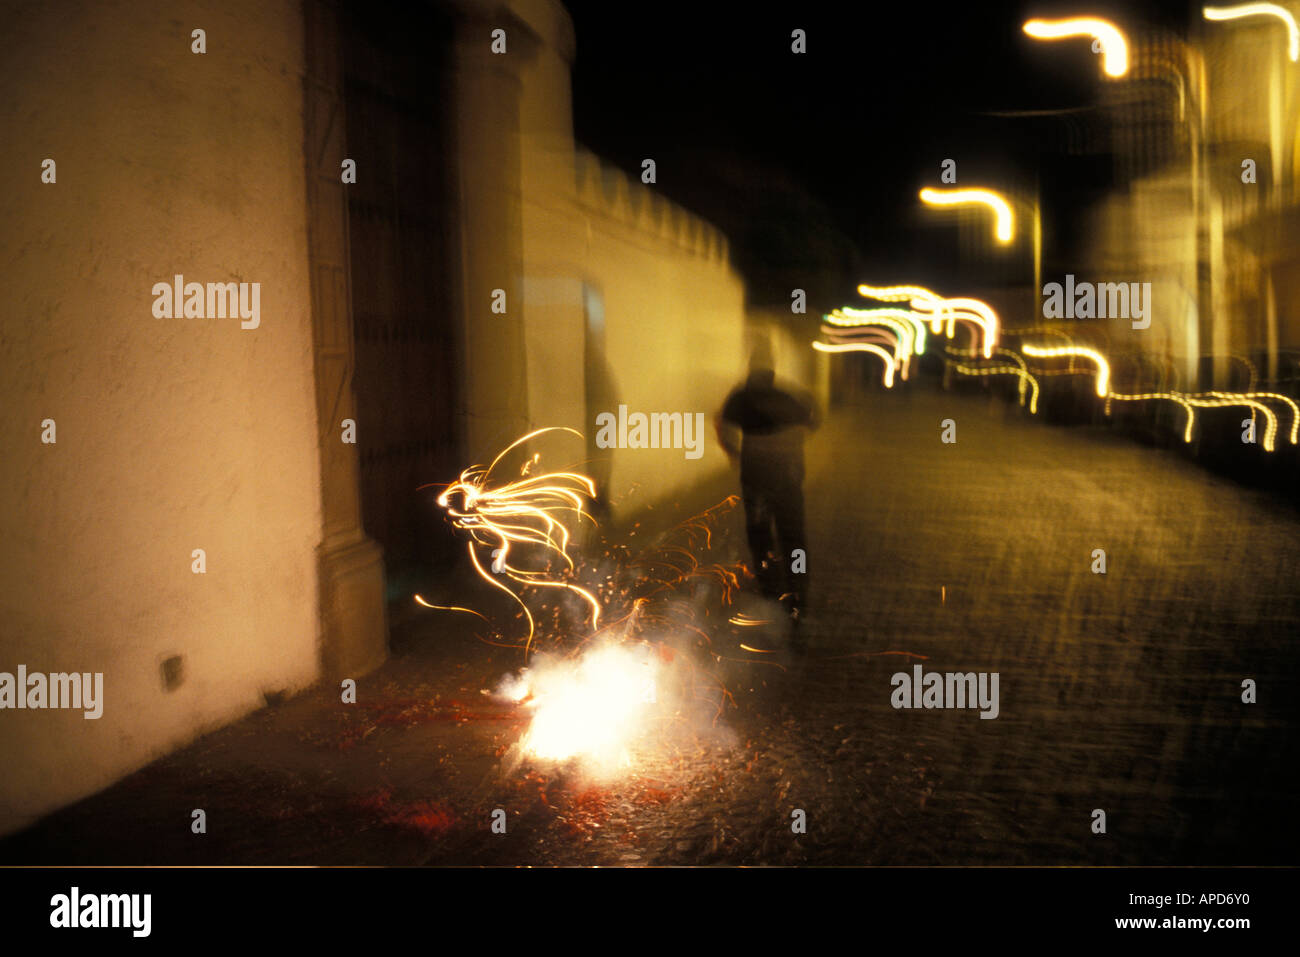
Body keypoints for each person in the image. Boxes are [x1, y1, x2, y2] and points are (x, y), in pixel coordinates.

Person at [716, 349, 820, 633]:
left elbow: (723, 426)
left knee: (761, 533)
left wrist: (735, 453)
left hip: (757, 478)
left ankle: (769, 585)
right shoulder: (788, 395)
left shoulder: (740, 398)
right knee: (792, 533)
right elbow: (813, 417)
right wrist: (794, 443)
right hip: (789, 477)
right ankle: (798, 584)